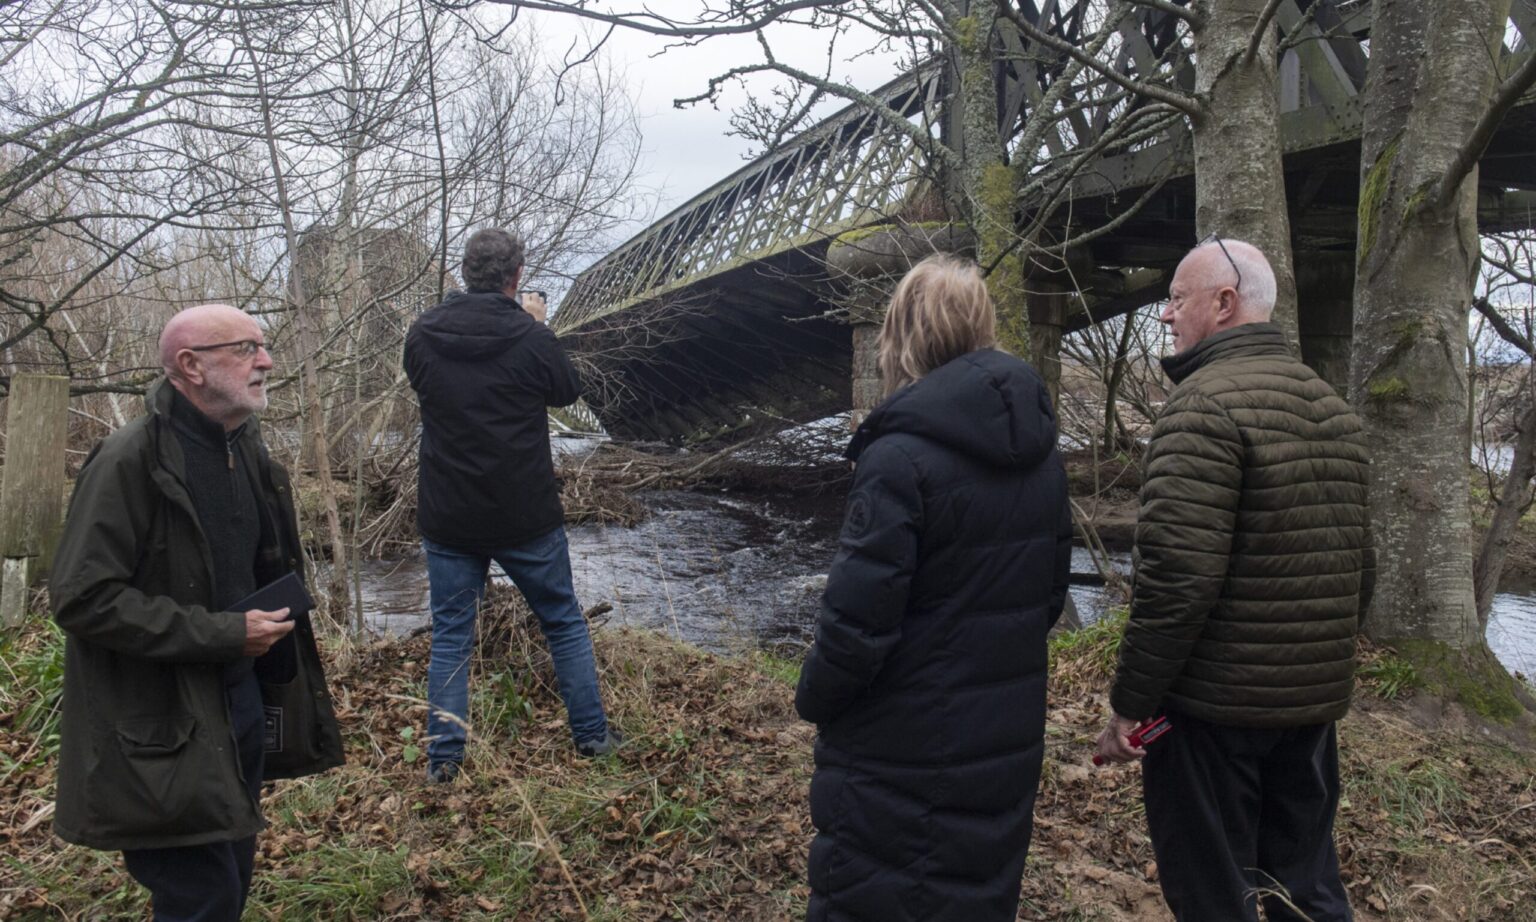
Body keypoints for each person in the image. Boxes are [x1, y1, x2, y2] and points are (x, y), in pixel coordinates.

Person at [1094, 238, 1373, 921]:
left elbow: (1176, 580)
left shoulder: (1200, 410)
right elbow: (1361, 570)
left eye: (1177, 298)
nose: (1165, 316)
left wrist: (1130, 703)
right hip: (1308, 712)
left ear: (1224, 303)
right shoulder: (1334, 409)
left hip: (1213, 715)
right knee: (1302, 891)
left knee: (1215, 894)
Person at [795, 254, 1073, 922]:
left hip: (901, 751)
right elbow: (1048, 598)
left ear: (905, 336)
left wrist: (814, 698)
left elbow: (856, 630)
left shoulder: (897, 456)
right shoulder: (1041, 453)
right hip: (1002, 738)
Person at [50, 303, 344, 921]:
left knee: (230, 879)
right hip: (157, 724)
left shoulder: (248, 451)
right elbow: (82, 598)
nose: (265, 361)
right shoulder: (129, 460)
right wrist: (222, 633)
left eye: (262, 346)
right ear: (190, 366)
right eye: (244, 349)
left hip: (236, 702)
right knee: (199, 894)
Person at [405, 227, 619, 782]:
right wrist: (536, 326)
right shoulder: (530, 337)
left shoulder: (423, 334)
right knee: (563, 622)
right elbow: (567, 391)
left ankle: (444, 762)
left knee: (452, 635)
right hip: (525, 513)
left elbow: (423, 386)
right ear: (516, 277)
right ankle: (592, 738)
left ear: (465, 271)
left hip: (449, 512)